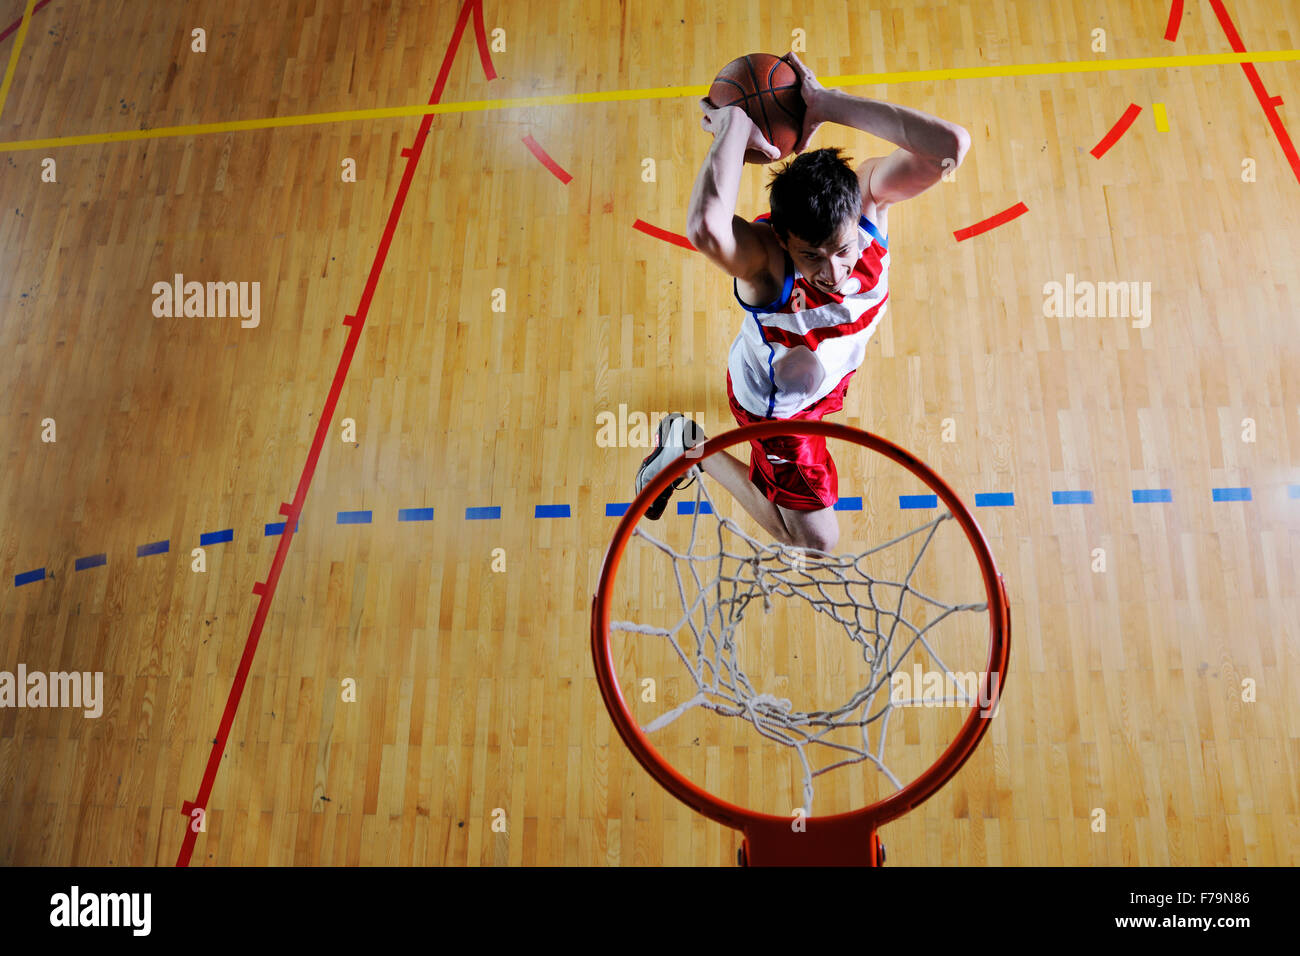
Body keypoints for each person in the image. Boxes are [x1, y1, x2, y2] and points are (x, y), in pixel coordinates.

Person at [634, 53, 969, 552]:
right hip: (779, 411)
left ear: (856, 218)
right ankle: (691, 450)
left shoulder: (866, 200)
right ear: (785, 240)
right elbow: (706, 227)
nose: (832, 272)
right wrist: (731, 126)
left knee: (813, 373)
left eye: (842, 250)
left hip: (826, 377)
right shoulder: (768, 267)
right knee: (815, 544)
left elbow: (950, 146)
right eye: (811, 255)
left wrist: (828, 103)